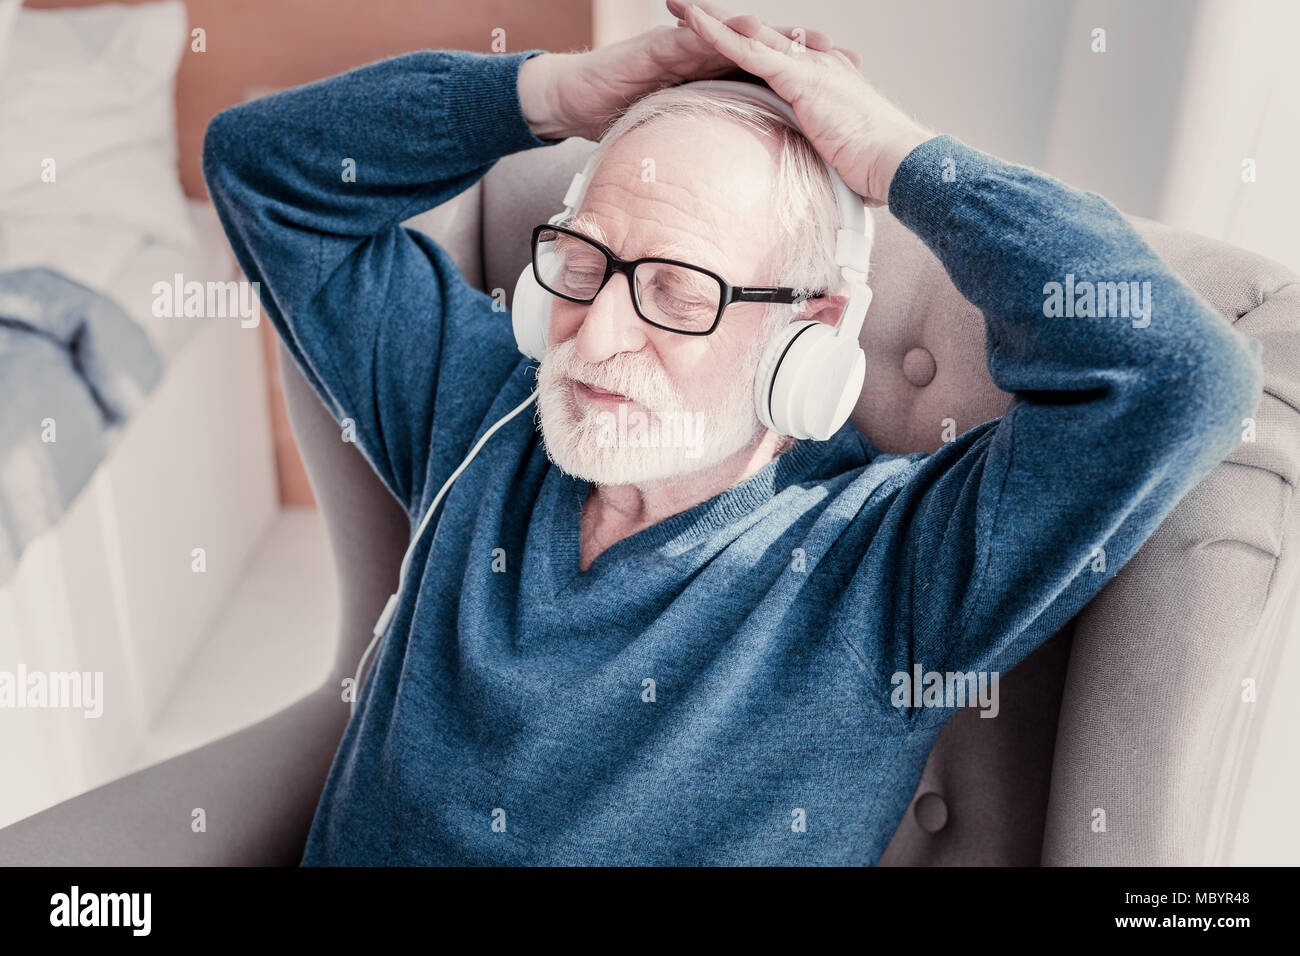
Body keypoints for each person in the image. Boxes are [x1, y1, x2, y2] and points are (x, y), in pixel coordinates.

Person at [206, 2, 1257, 864]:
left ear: (815, 328)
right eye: (584, 260)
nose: (598, 332)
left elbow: (1179, 375)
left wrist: (902, 160)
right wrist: (548, 94)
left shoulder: (887, 571)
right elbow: (262, 169)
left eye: (675, 288)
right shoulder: (480, 406)